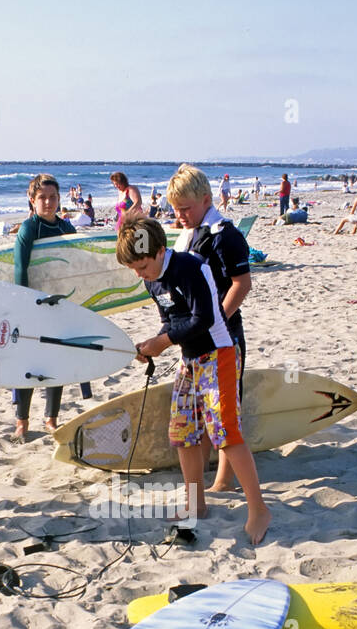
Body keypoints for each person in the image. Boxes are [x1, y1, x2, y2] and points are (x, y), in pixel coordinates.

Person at [116, 217, 271, 546]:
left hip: (219, 355)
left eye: (142, 265)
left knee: (226, 432)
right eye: (133, 269)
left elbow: (205, 319)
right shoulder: (154, 282)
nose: (139, 274)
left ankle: (258, 509)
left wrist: (165, 341)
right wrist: (151, 345)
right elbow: (170, 320)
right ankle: (195, 503)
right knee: (183, 431)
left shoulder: (189, 268)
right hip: (190, 360)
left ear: (160, 251)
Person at [166, 164, 252, 494]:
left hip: (224, 334)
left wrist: (216, 319)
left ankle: (223, 481)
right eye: (175, 209)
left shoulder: (225, 235)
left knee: (226, 412)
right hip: (196, 335)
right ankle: (200, 483)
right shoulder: (189, 235)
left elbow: (241, 284)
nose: (180, 215)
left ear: (205, 200)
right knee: (198, 411)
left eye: (185, 209)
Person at [11, 173, 91, 440]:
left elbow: (76, 270)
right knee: (29, 363)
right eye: (42, 198)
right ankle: (22, 422)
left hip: (60, 306)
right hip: (33, 305)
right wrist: (26, 305)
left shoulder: (66, 229)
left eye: (53, 197)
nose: (48, 202)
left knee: (56, 362)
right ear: (32, 200)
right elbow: (21, 269)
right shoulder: (28, 228)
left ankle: (51, 418)